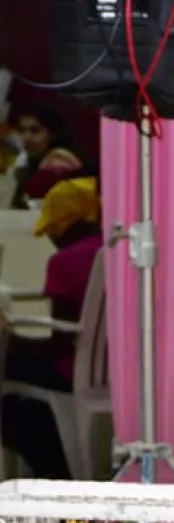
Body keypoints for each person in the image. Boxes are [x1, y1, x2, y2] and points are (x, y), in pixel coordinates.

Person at [1, 175, 102, 479]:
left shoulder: (64, 262)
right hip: (115, 372)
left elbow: (61, 342)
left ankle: (50, 471)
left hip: (71, 372)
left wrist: (12, 339)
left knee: (7, 373)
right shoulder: (118, 252)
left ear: (67, 224)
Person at [9, 105, 82, 210]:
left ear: (54, 134)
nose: (26, 137)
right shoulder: (25, 160)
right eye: (22, 130)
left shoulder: (60, 161)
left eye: (35, 130)